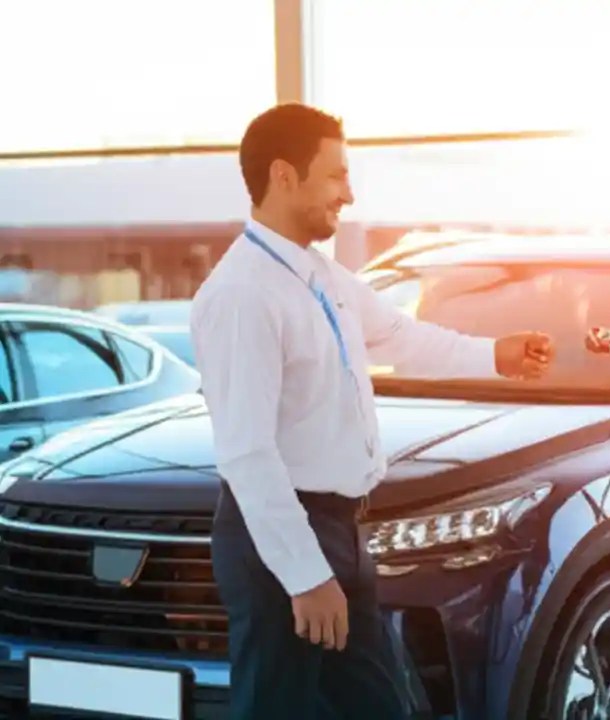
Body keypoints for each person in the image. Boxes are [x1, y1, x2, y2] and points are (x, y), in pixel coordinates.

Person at [191, 103, 555, 719]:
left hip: (344, 531)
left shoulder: (321, 276)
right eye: (335, 175)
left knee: (379, 707)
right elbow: (247, 453)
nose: (349, 194)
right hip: (283, 541)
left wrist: (497, 354)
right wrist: (305, 576)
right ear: (284, 175)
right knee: (277, 710)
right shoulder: (241, 294)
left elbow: (401, 336)